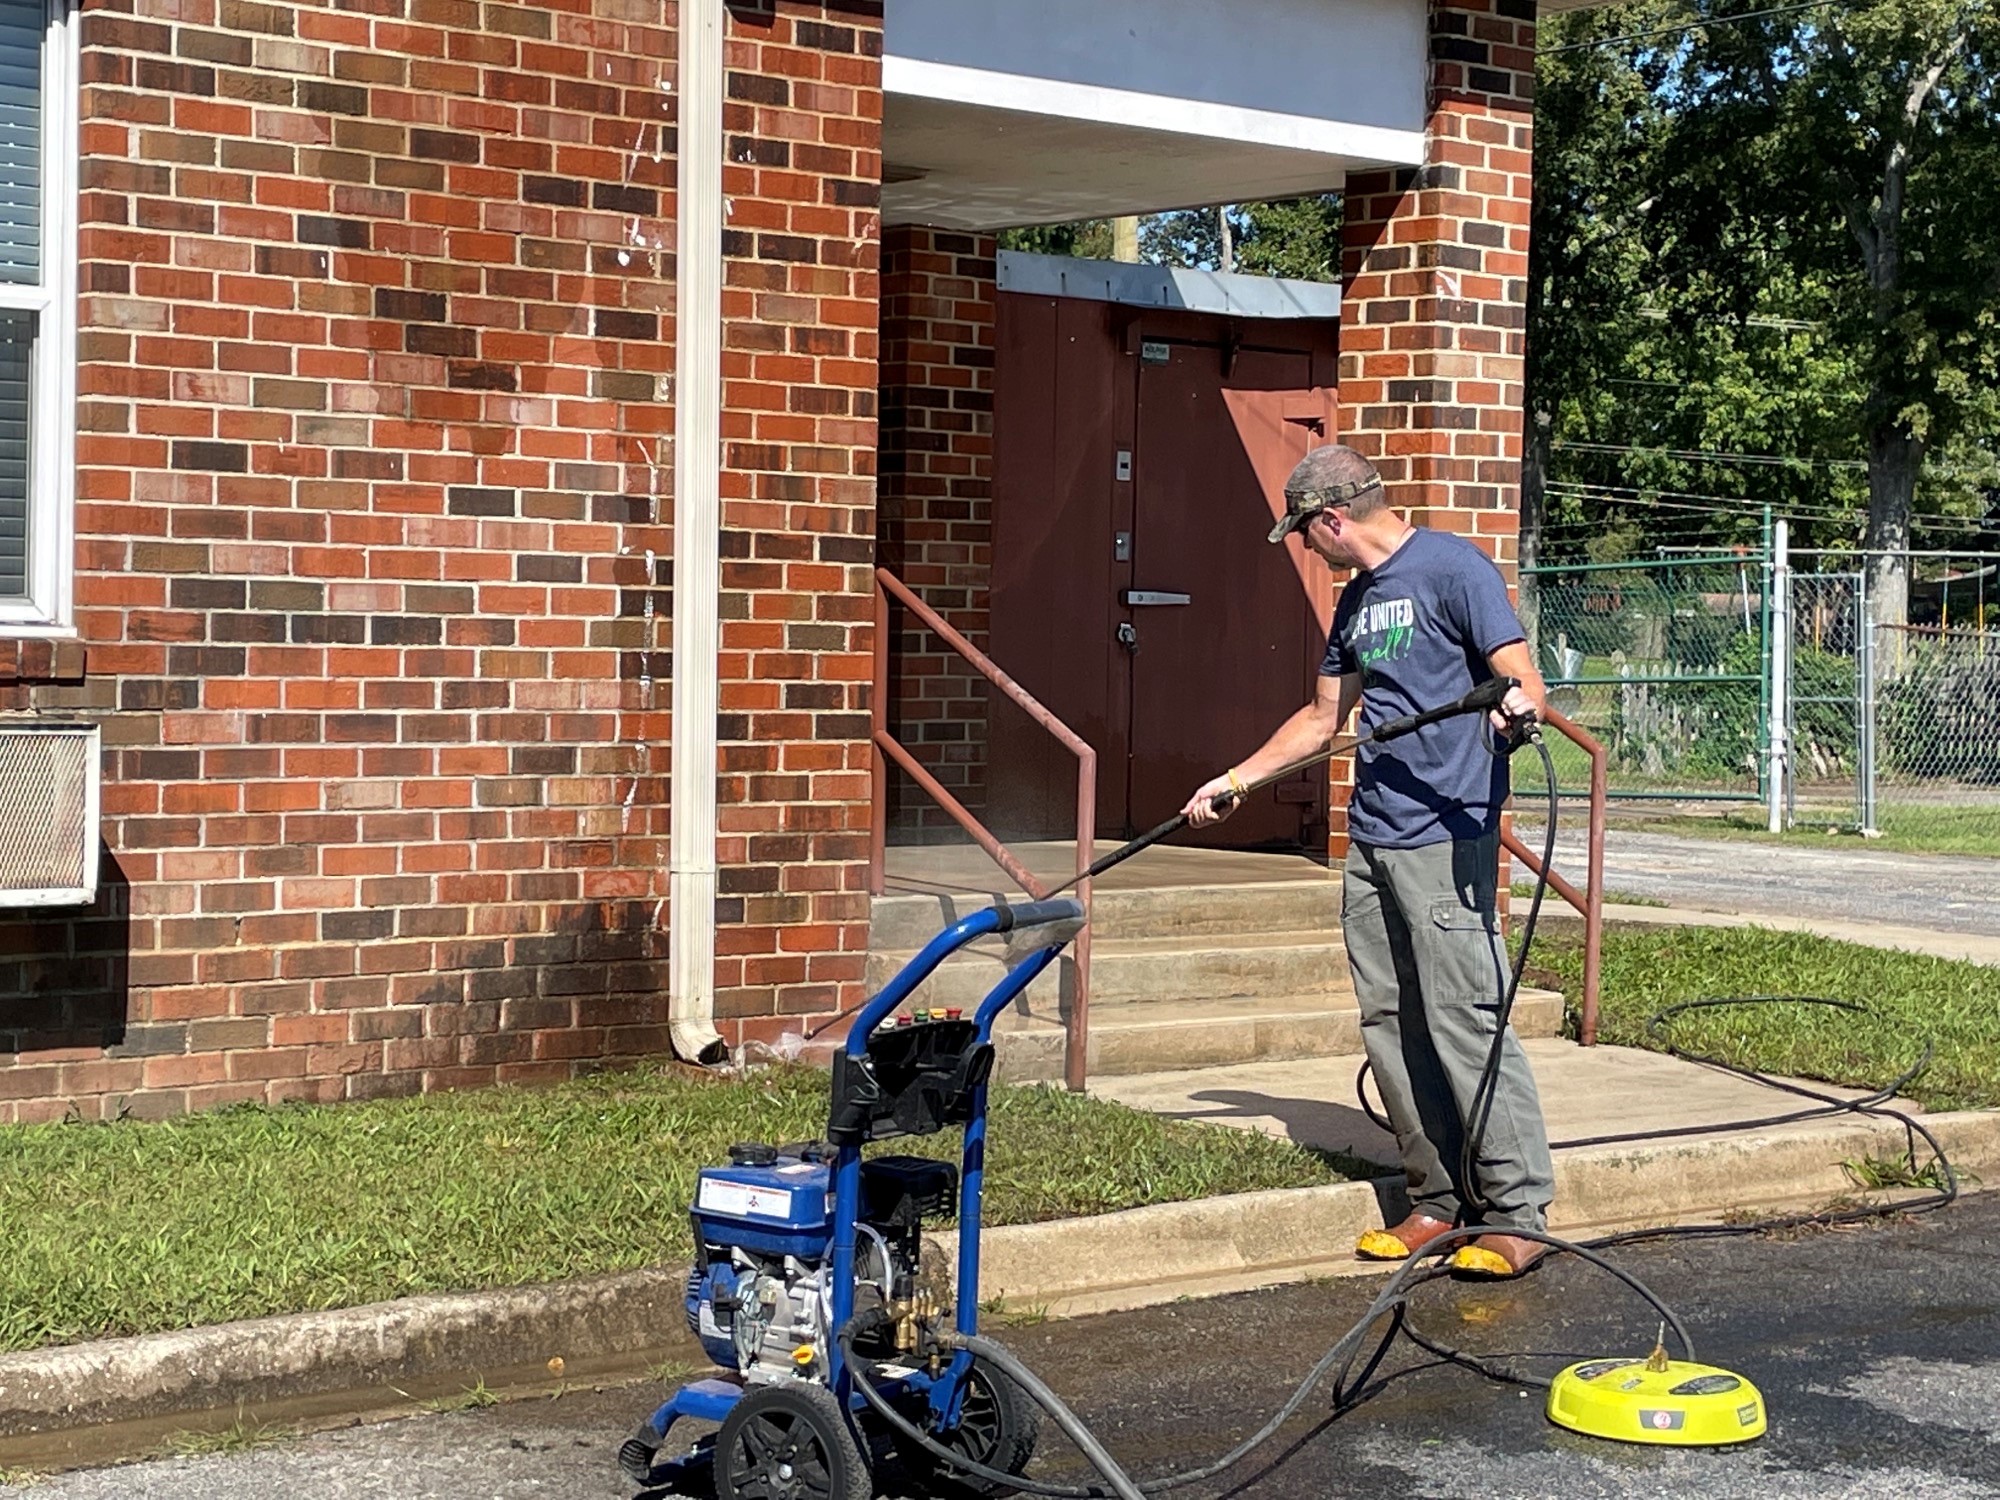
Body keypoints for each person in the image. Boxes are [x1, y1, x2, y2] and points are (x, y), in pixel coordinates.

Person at [1181, 444, 1556, 1278]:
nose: (1306, 551)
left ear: (1332, 519)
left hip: (1446, 833)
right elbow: (1323, 719)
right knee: (1392, 1024)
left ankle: (1517, 1211)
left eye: (1305, 536)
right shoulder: (1357, 604)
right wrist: (1237, 778)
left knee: (1464, 1018)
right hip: (1375, 837)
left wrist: (1514, 713)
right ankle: (1437, 1201)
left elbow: (1520, 677)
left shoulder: (1454, 569)